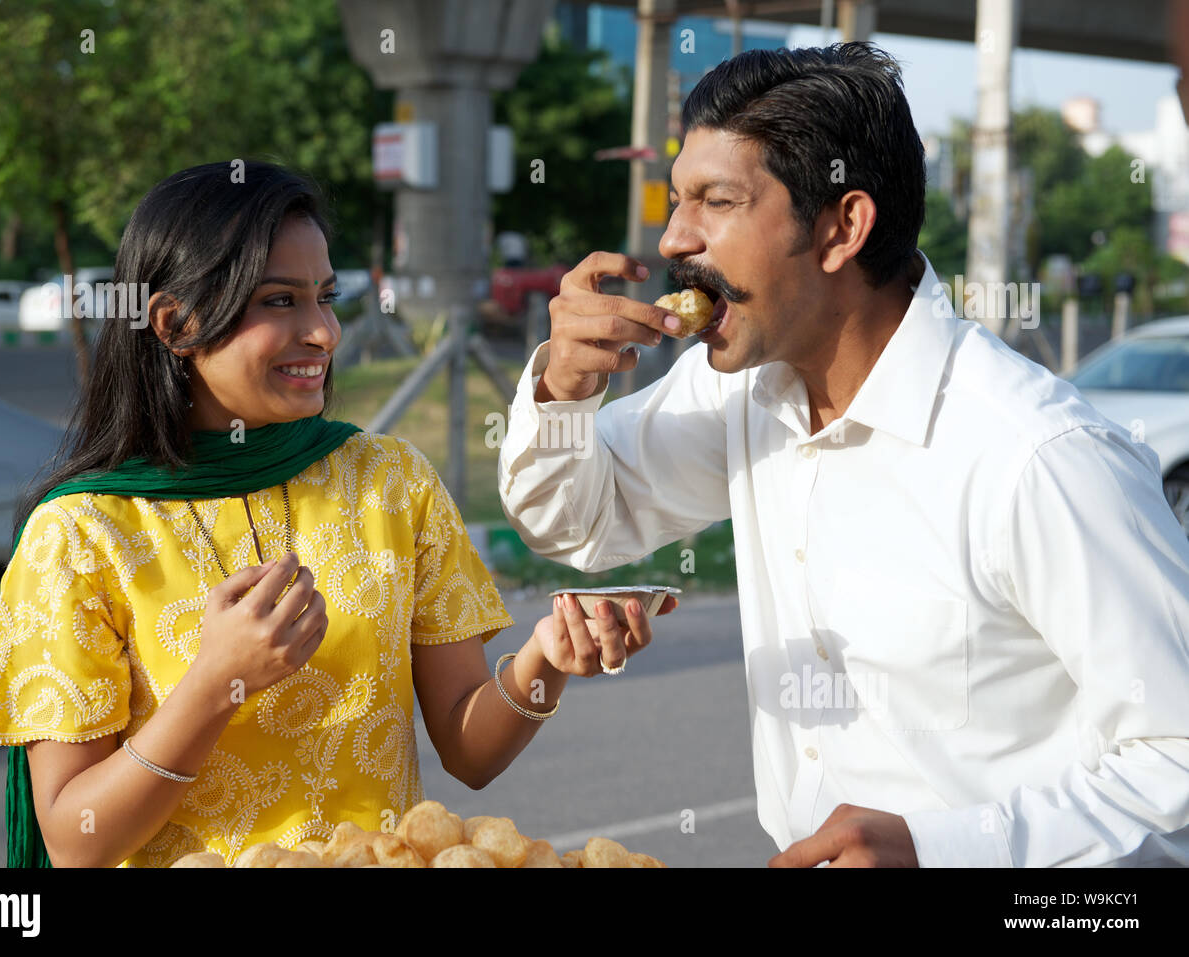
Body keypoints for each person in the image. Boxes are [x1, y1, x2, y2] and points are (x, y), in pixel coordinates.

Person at [498, 43, 1189, 867]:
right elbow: (573, 520)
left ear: (840, 228)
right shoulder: (742, 395)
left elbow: (1174, 756)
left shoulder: (1036, 456)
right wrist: (567, 389)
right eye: (679, 201)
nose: (677, 239)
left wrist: (938, 848)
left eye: (717, 201)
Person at [0, 160, 671, 868]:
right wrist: (214, 684)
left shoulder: (389, 483)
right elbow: (74, 838)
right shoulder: (81, 534)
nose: (323, 333)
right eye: (280, 301)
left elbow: (470, 750)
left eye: (327, 296)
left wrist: (545, 659)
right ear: (175, 322)